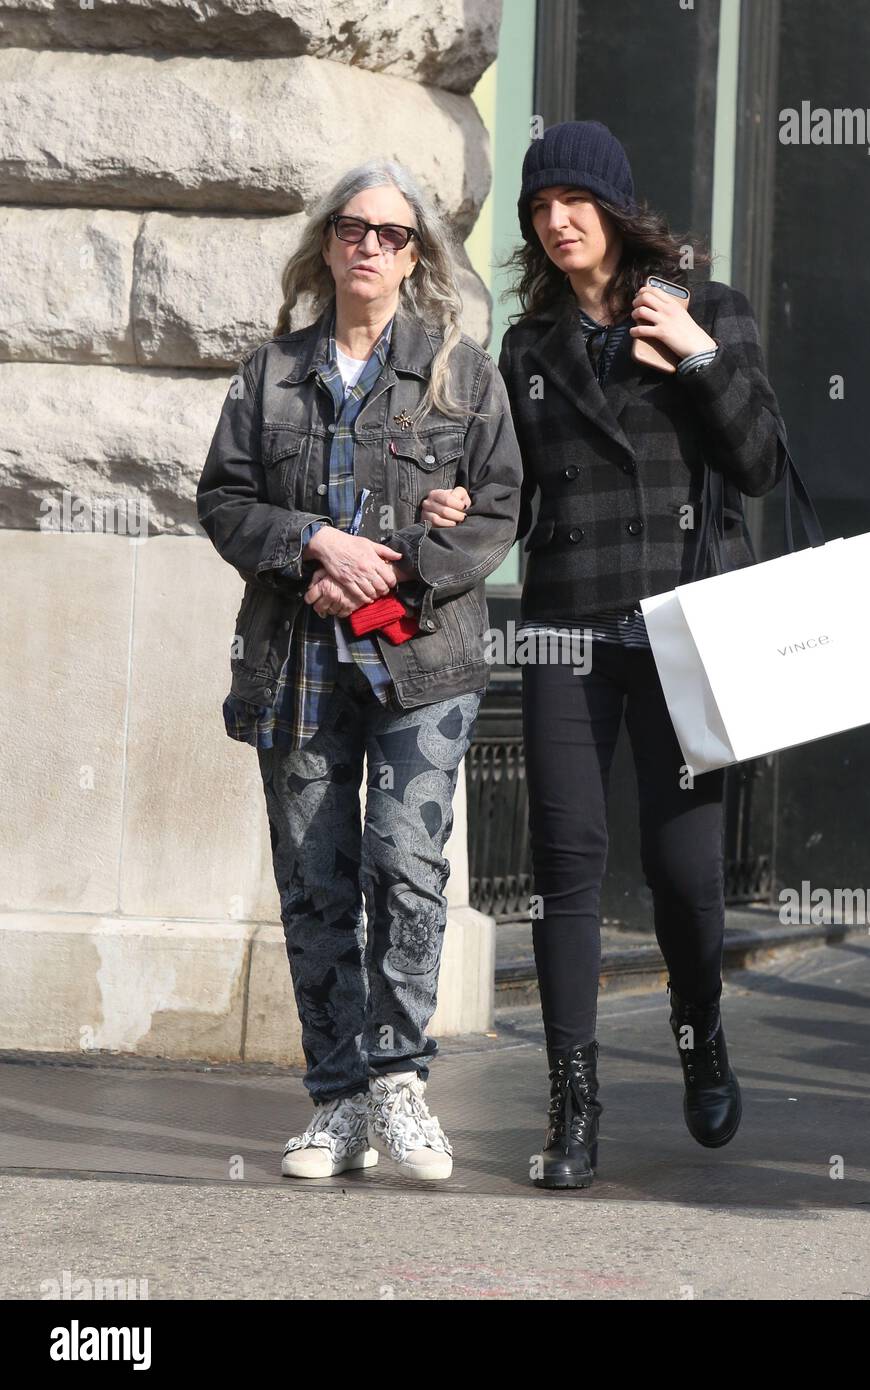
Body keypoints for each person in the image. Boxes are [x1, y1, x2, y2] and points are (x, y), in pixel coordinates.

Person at [421, 121, 790, 1188]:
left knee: (685, 881)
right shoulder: (529, 349)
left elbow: (762, 462)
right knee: (564, 866)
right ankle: (572, 1107)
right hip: (567, 627)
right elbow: (516, 495)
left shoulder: (705, 310)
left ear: (618, 209)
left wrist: (699, 353)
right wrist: (466, 502)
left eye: (575, 200)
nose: (557, 219)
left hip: (686, 630)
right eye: (541, 207)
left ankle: (698, 1026)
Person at [197, 161, 522, 1178]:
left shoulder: (462, 375)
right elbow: (224, 500)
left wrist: (394, 573)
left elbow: (501, 505)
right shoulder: (269, 373)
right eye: (352, 229)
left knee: (405, 865)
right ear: (327, 245)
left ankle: (399, 1083)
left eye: (390, 232)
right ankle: (335, 1100)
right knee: (314, 877)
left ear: (415, 253)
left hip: (422, 663)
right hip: (296, 661)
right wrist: (312, 547)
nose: (368, 246)